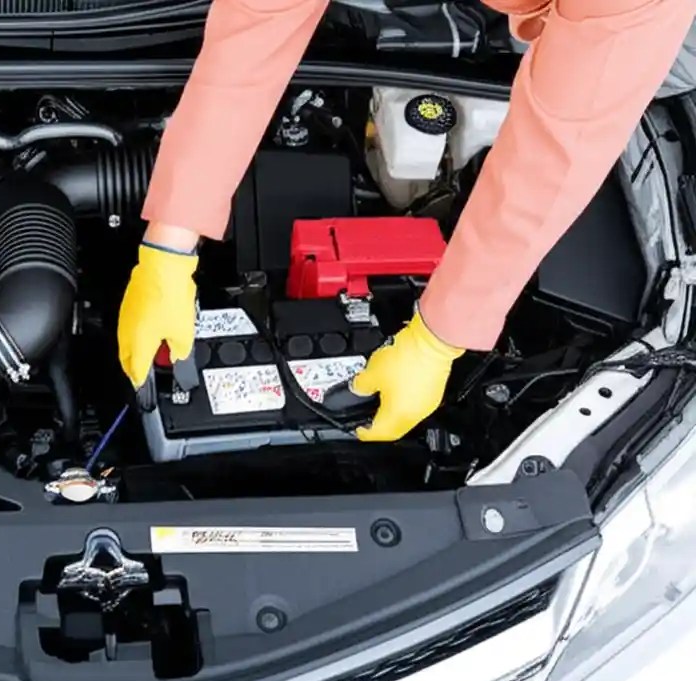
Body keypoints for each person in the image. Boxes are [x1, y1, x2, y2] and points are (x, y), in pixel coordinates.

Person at [118, 0, 696, 441]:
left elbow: (560, 148)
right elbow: (253, 33)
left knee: (647, 78)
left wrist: (438, 339)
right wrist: (169, 244)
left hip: (640, 29)